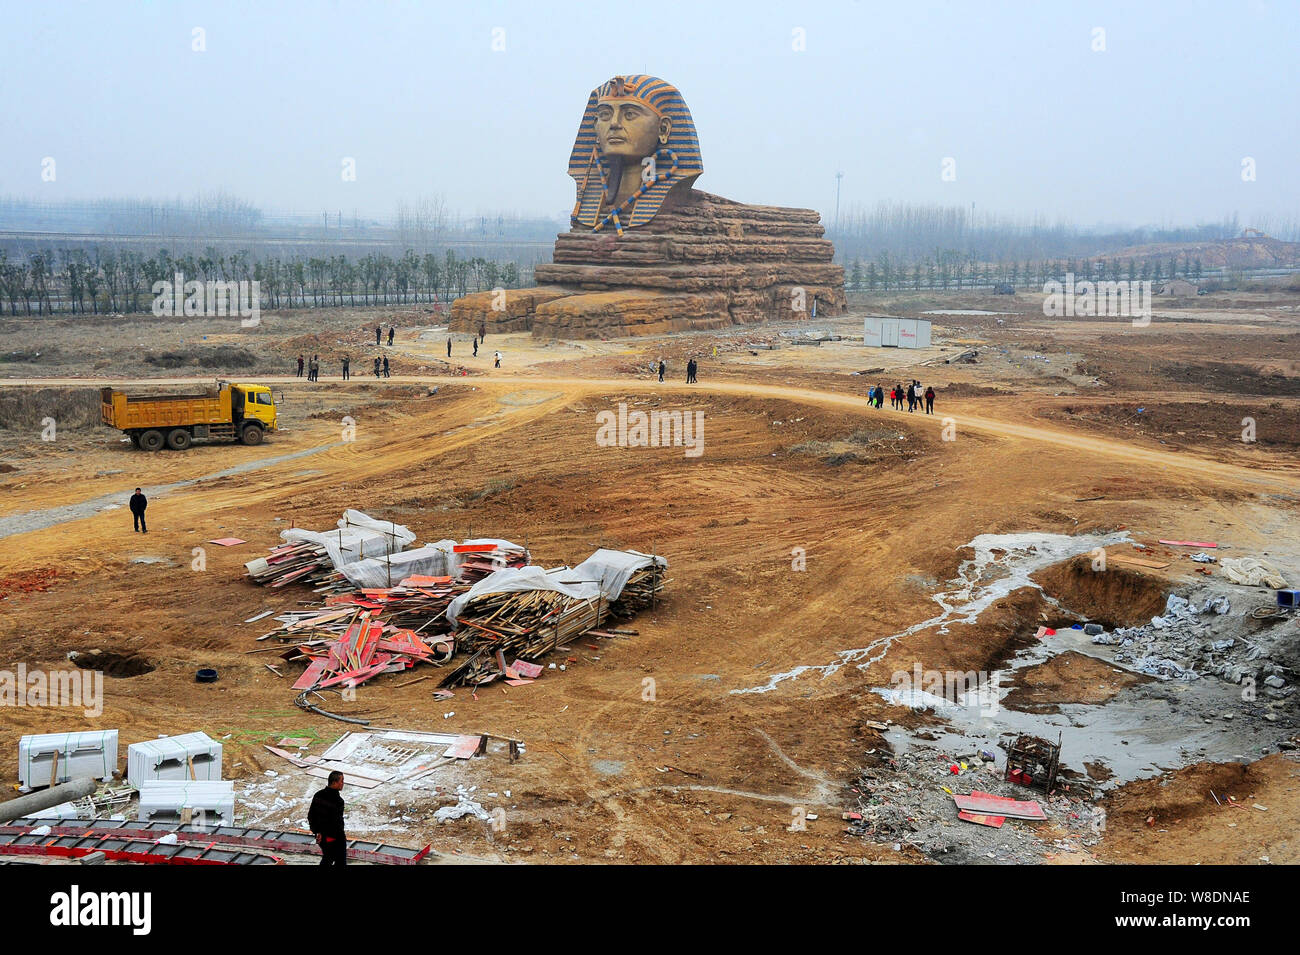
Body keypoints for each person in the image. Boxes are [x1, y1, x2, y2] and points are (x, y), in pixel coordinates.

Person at [308, 771, 347, 866]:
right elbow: (335, 823)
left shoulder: (318, 795)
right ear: (334, 782)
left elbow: (311, 816)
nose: (343, 783)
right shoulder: (338, 801)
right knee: (337, 860)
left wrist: (317, 832)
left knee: (328, 857)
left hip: (322, 837)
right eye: (341, 781)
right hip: (333, 837)